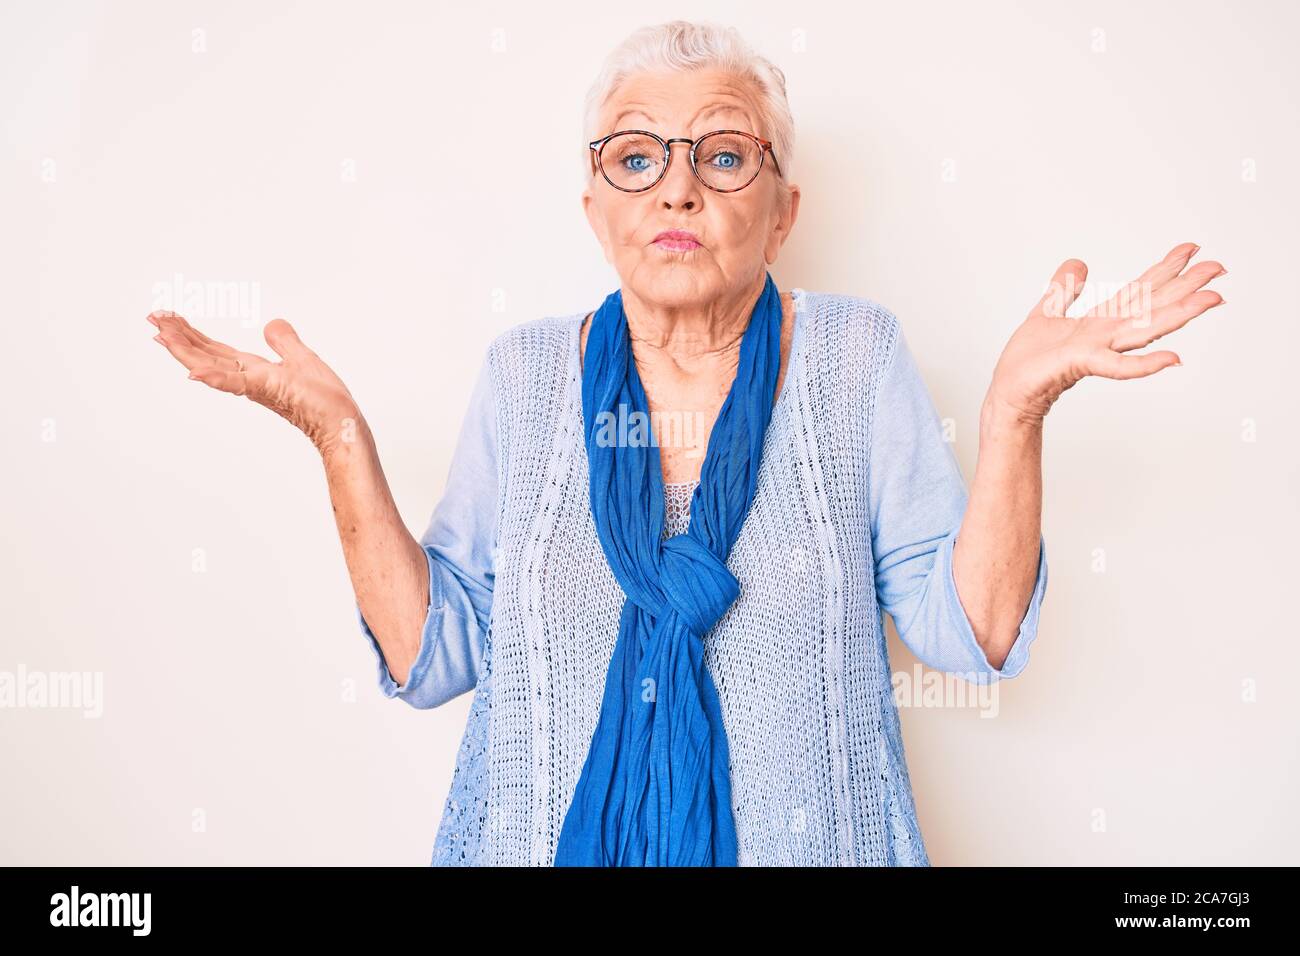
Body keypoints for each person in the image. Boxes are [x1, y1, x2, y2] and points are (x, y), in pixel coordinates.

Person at [147, 19, 1226, 866]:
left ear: (783, 208)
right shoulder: (524, 377)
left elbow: (970, 633)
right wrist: (340, 437)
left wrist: (1012, 418)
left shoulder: (855, 358)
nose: (676, 186)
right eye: (634, 156)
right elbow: (437, 655)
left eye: (720, 152)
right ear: (592, 206)